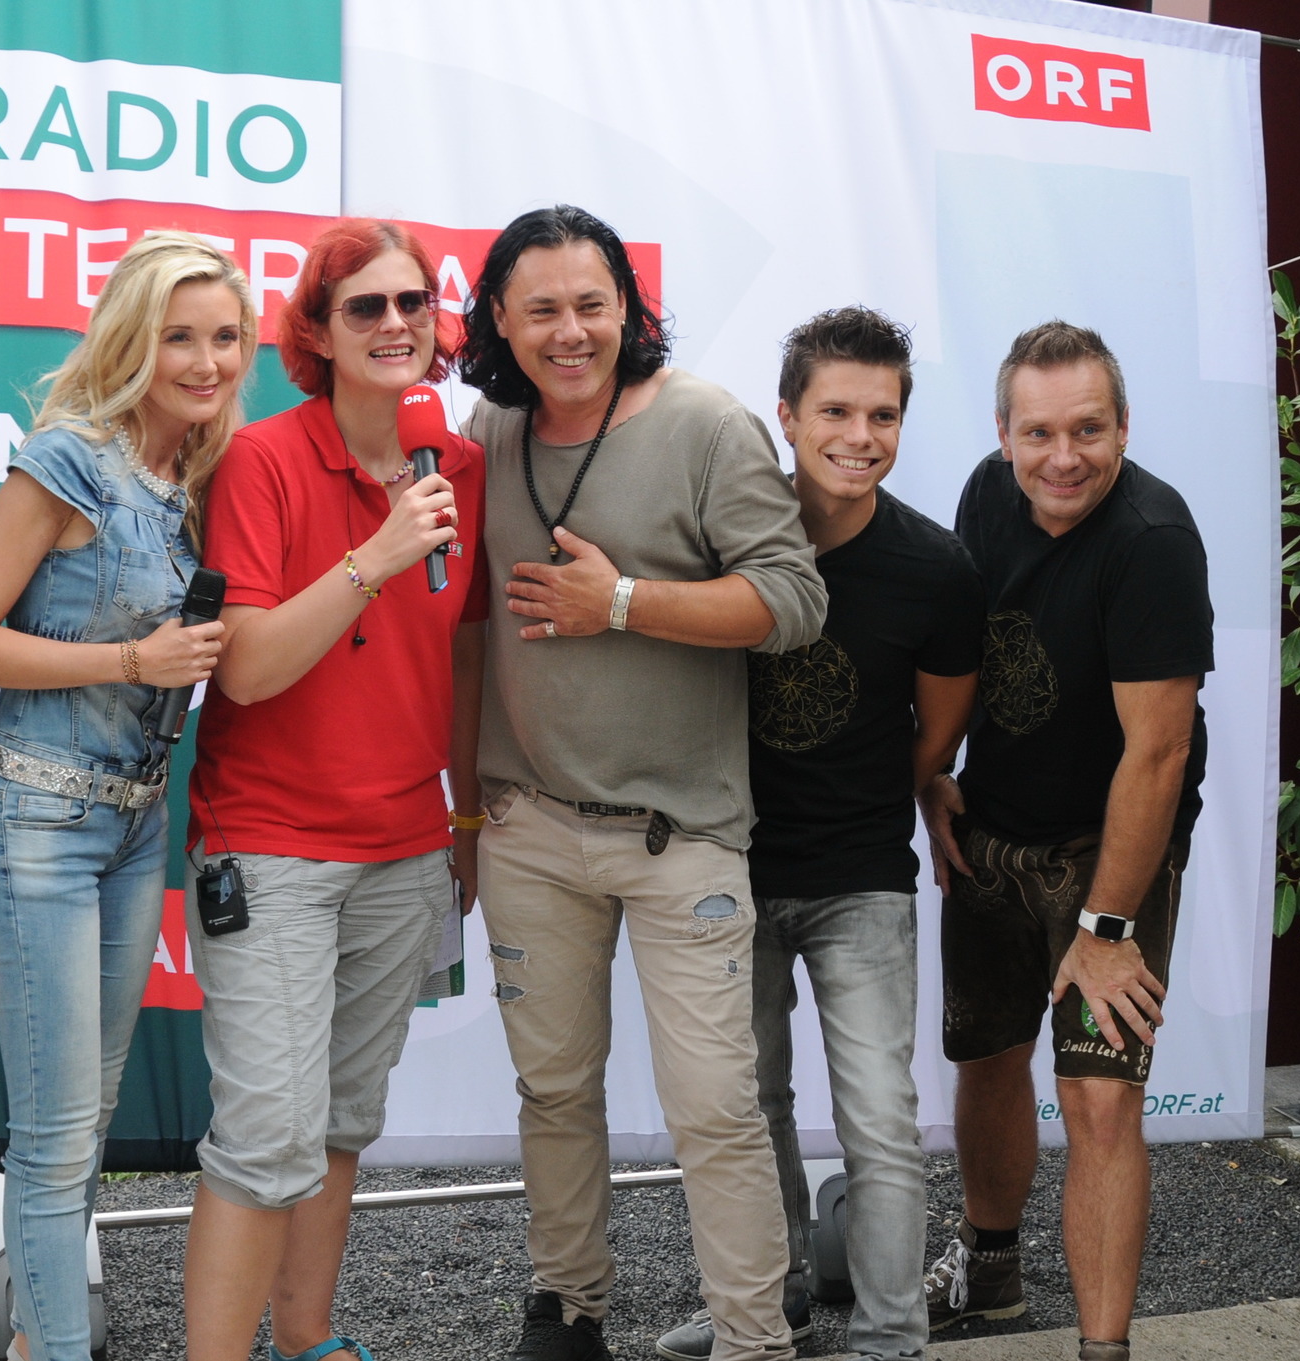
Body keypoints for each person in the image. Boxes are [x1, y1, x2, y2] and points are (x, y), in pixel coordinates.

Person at [460, 204, 827, 1361]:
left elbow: (793, 603)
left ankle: (751, 1336)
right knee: (553, 1094)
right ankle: (569, 1307)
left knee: (716, 1111)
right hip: (525, 823)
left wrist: (620, 601)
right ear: (500, 324)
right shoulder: (491, 426)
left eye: (591, 305)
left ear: (628, 306)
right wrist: (466, 811)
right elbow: (466, 623)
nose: (570, 332)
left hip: (684, 836)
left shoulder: (706, 426)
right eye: (543, 310)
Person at [0, 231, 254, 1361]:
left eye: (224, 336)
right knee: (56, 1138)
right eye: (179, 335)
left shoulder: (197, 478)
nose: (206, 361)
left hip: (131, 824)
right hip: (36, 824)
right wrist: (130, 663)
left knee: (81, 1129)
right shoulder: (69, 459)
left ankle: (35, 1341)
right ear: (131, 337)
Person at [180, 218, 486, 1361]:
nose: (396, 324)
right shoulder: (262, 458)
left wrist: (458, 817)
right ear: (314, 329)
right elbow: (247, 666)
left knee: (341, 1126)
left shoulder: (454, 464)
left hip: (405, 845)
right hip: (270, 847)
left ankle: (305, 1341)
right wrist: (373, 558)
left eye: (413, 302)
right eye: (365, 306)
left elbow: (459, 658)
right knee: (266, 1138)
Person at [652, 308, 982, 1361]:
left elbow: (934, 733)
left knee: (879, 1114)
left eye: (881, 413)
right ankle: (771, 1296)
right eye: (834, 409)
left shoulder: (934, 568)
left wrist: (904, 796)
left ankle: (891, 1332)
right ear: (785, 416)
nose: (859, 433)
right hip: (721, 867)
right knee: (744, 1104)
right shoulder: (725, 538)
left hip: (860, 877)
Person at [918, 322, 1212, 1361]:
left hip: (1108, 848)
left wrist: (1104, 925)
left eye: (1087, 428)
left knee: (1096, 1098)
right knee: (987, 1056)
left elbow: (1157, 754)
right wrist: (931, 773)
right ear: (1001, 434)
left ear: (1122, 425)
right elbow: (957, 651)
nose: (1062, 456)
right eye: (1037, 431)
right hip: (993, 829)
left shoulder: (1150, 540)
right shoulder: (982, 494)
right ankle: (987, 1266)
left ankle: (1102, 1350)